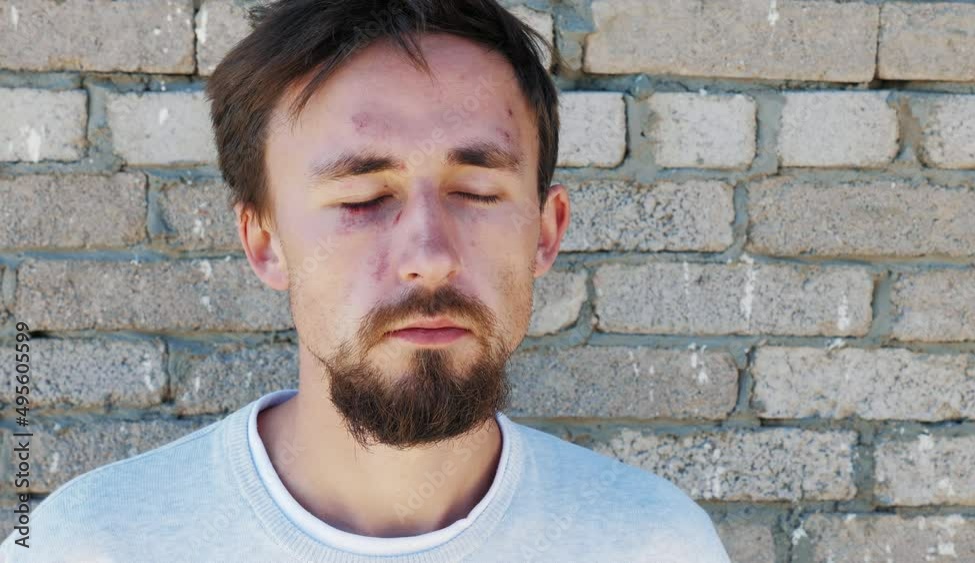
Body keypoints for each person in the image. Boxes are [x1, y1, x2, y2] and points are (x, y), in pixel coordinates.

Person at [1, 1, 731, 561]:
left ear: (545, 230)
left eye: (476, 192)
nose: (429, 255)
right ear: (264, 241)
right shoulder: (89, 546)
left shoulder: (655, 546)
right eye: (361, 200)